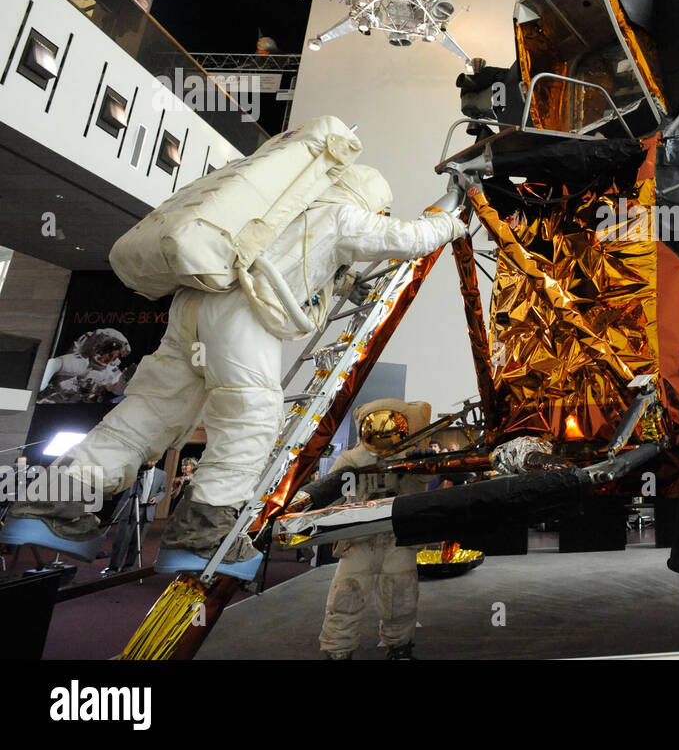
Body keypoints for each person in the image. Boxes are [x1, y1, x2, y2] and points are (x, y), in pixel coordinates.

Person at [1, 165, 467, 579]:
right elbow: (410, 239)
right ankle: (200, 538)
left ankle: (50, 505)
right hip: (242, 313)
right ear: (370, 198)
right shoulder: (342, 214)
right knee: (250, 419)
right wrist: (452, 218)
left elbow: (325, 271)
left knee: (146, 415)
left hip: (195, 304)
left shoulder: (284, 217)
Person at [305, 399, 438, 660]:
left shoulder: (409, 456)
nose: (383, 431)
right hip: (359, 540)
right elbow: (331, 493)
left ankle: (399, 646)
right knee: (345, 597)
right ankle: (338, 649)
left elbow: (425, 478)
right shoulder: (351, 460)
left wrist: (426, 462)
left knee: (400, 598)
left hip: (396, 537)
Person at [104, 459, 167, 574]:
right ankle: (113, 567)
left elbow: (163, 491)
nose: (150, 462)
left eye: (153, 460)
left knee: (137, 542)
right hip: (130, 509)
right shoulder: (135, 471)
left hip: (147, 511)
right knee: (121, 540)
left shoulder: (162, 474)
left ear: (157, 460)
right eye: (149, 459)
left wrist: (157, 498)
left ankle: (128, 567)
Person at [36, 329, 132, 404]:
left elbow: (118, 390)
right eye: (106, 350)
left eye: (113, 355)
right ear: (98, 347)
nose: (107, 357)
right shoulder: (81, 361)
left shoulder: (111, 371)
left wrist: (125, 379)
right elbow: (55, 364)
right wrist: (42, 384)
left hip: (76, 408)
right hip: (52, 400)